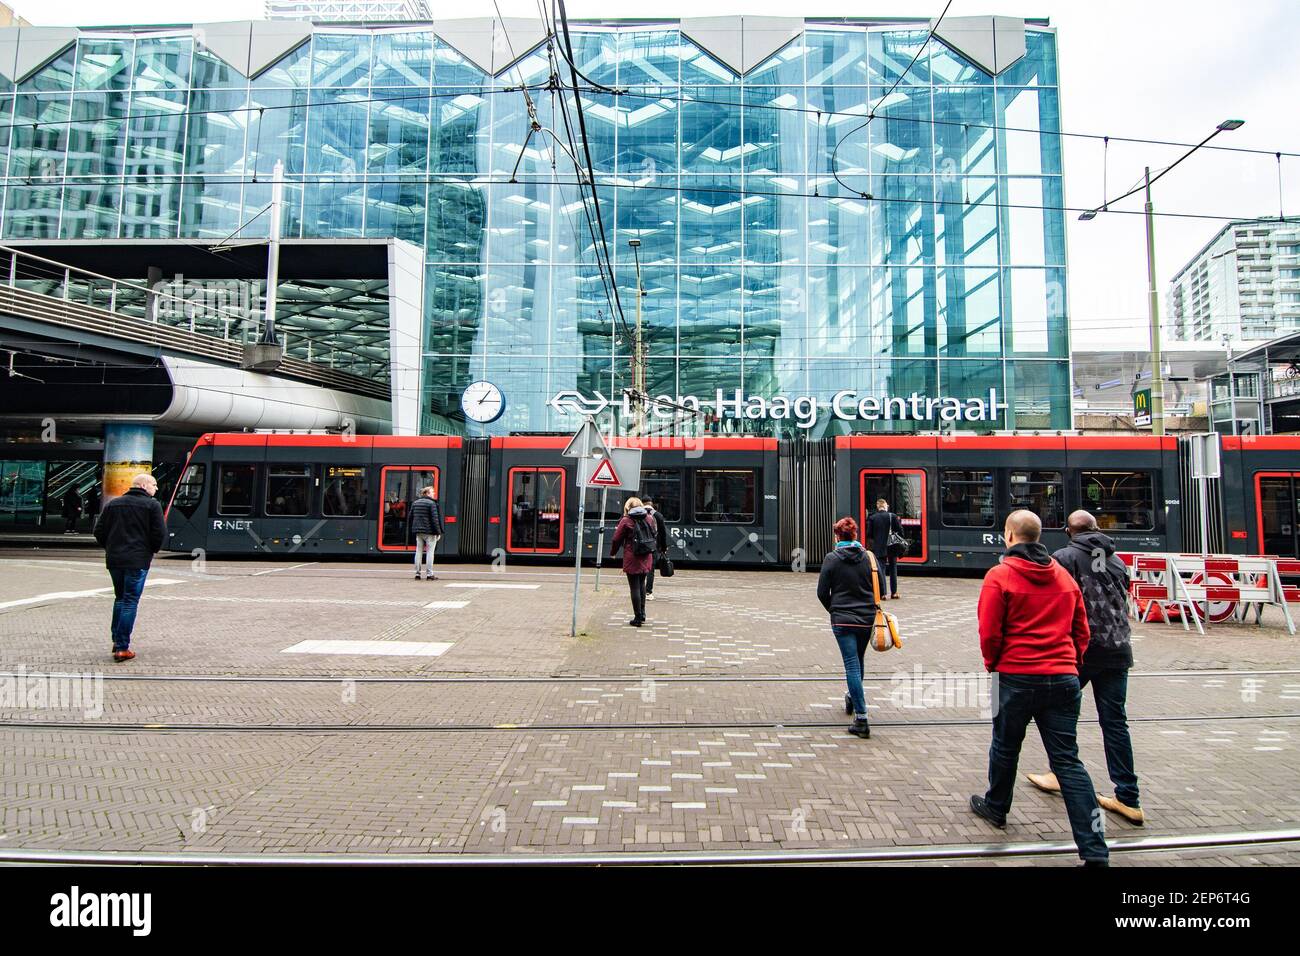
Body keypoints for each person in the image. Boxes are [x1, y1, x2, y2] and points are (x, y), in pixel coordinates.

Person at [969, 509, 1108, 866]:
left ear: (1010, 536)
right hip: (1063, 679)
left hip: (1015, 675)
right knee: (1067, 761)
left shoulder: (999, 576)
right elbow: (1083, 632)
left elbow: (990, 633)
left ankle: (996, 807)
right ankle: (1095, 852)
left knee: (1005, 745)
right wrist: (1070, 665)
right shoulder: (1064, 578)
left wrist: (994, 665)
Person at [1025, 510, 1143, 825]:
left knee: (1060, 715)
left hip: (1081, 650)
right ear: (1095, 529)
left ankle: (1060, 772)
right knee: (1116, 723)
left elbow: (1051, 599)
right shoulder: (1116, 560)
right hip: (1118, 651)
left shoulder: (1063, 558)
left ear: (1068, 531)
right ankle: (1128, 798)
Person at [816, 516, 882, 739]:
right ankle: (853, 698)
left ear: (837, 536)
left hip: (842, 620)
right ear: (855, 535)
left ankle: (862, 718)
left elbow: (822, 593)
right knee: (859, 661)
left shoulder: (832, 559)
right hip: (866, 620)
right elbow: (880, 589)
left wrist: (834, 610)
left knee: (852, 665)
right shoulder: (869, 558)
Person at [92, 473, 165, 663]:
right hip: (137, 560)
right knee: (130, 601)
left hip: (115, 560)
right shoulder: (152, 505)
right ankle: (122, 647)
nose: (156, 489)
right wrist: (150, 550)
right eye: (154, 485)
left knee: (120, 598)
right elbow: (159, 533)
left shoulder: (113, 504)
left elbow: (98, 531)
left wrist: (111, 547)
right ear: (143, 485)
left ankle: (117, 640)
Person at [610, 496, 657, 627]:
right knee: (642, 584)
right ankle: (642, 614)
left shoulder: (626, 520)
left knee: (634, 587)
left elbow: (616, 539)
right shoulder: (649, 518)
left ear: (627, 508)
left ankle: (637, 618)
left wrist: (613, 552)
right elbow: (654, 534)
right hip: (646, 555)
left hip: (632, 556)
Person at [865, 497, 903, 600]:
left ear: (878, 507)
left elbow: (869, 534)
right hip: (892, 547)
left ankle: (883, 594)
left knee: (881, 569)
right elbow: (900, 531)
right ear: (885, 505)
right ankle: (894, 593)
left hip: (879, 547)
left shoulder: (873, 518)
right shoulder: (893, 516)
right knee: (893, 569)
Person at [409, 486, 444, 581]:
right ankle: (429, 574)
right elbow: (435, 520)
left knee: (418, 552)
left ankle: (417, 573)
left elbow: (410, 517)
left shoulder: (415, 503)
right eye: (432, 492)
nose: (434, 494)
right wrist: (438, 532)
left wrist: (414, 528)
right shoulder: (432, 503)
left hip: (418, 532)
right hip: (429, 532)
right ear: (427, 493)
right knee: (430, 552)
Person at [643, 497, 669, 602]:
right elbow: (662, 534)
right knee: (650, 570)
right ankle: (648, 592)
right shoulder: (658, 515)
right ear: (651, 504)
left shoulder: (636, 514)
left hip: (639, 546)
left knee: (640, 568)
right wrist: (663, 547)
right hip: (653, 546)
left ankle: (639, 590)